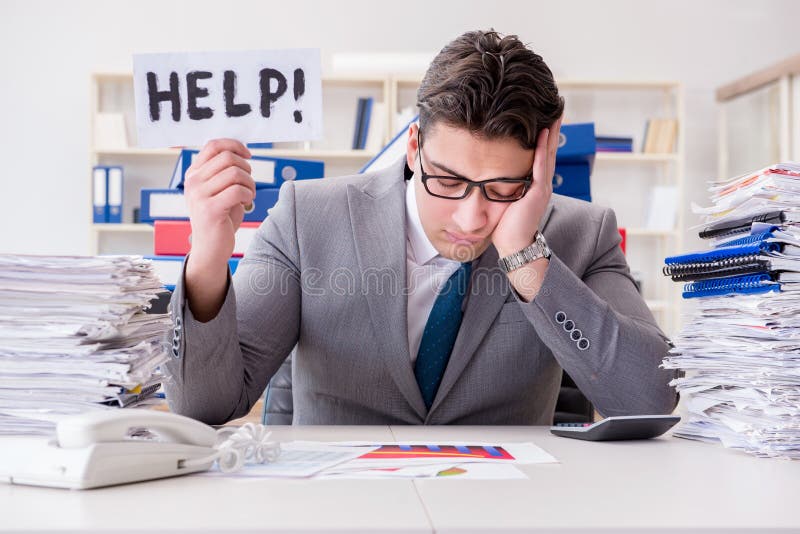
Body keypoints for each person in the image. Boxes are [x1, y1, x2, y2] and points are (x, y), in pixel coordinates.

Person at [164, 29, 678, 425]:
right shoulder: (306, 217)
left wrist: (526, 256)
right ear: (414, 147)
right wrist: (208, 252)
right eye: (449, 181)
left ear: (540, 167)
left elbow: (651, 401)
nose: (470, 218)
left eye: (503, 188)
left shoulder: (582, 233)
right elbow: (205, 406)